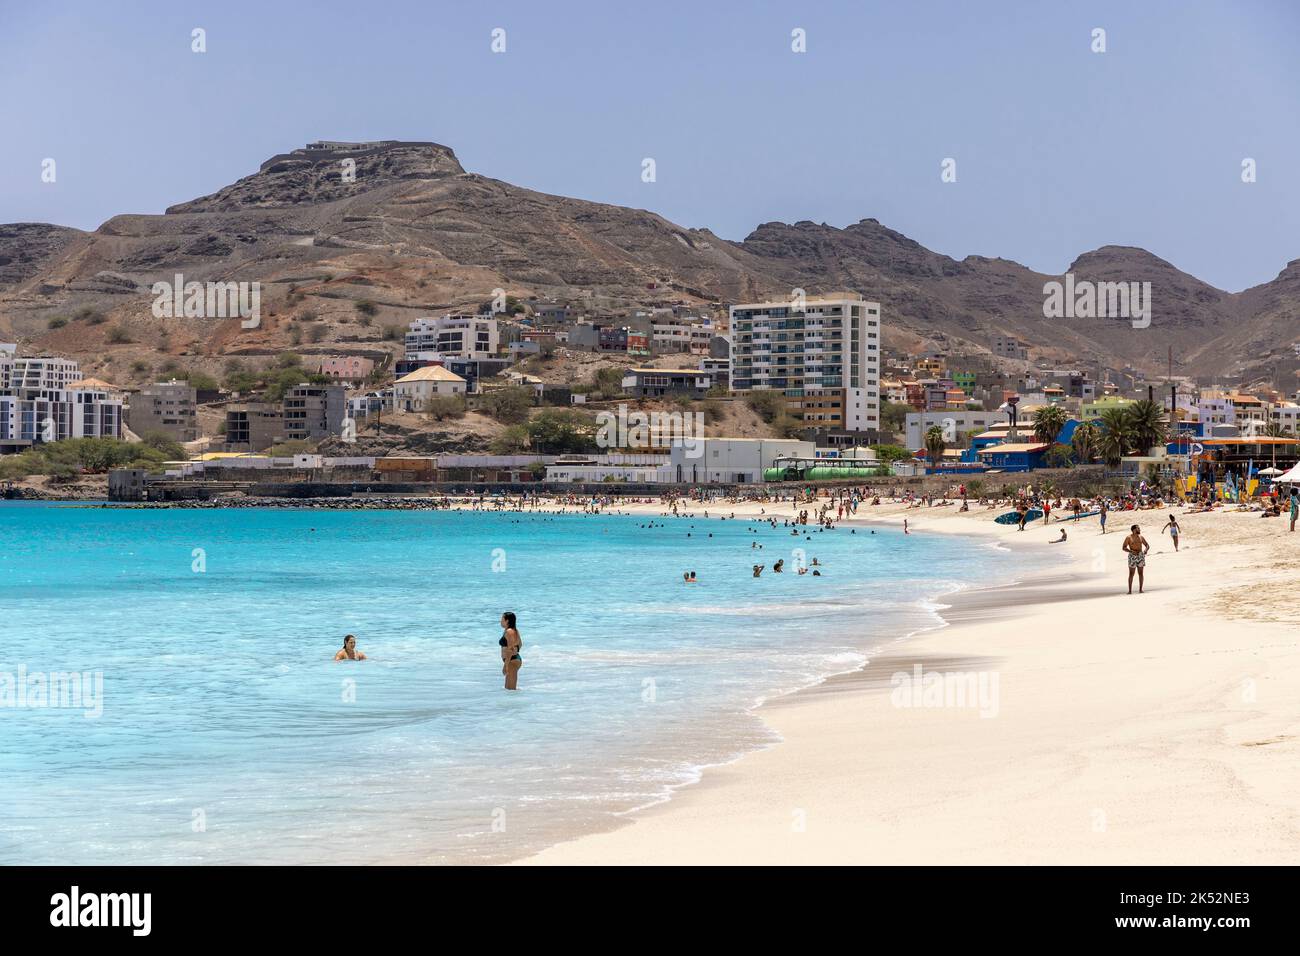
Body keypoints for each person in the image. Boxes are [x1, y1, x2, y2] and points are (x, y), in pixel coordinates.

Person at [1122, 524, 1150, 594]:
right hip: (1132, 556)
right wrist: (1131, 551)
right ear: (1134, 530)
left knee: (1141, 573)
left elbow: (1147, 545)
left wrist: (1146, 550)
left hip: (1140, 555)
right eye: (1138, 528)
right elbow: (1124, 547)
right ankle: (1130, 591)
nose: (1139, 530)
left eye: (1139, 528)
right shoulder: (1128, 537)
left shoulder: (1141, 537)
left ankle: (1140, 589)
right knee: (1131, 574)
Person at [499, 611, 522, 691]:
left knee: (511, 690)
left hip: (512, 661)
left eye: (502, 619)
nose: (500, 621)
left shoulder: (509, 632)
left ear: (507, 620)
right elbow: (520, 644)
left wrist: (505, 665)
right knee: (508, 690)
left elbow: (510, 649)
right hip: (513, 660)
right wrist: (516, 649)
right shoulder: (514, 630)